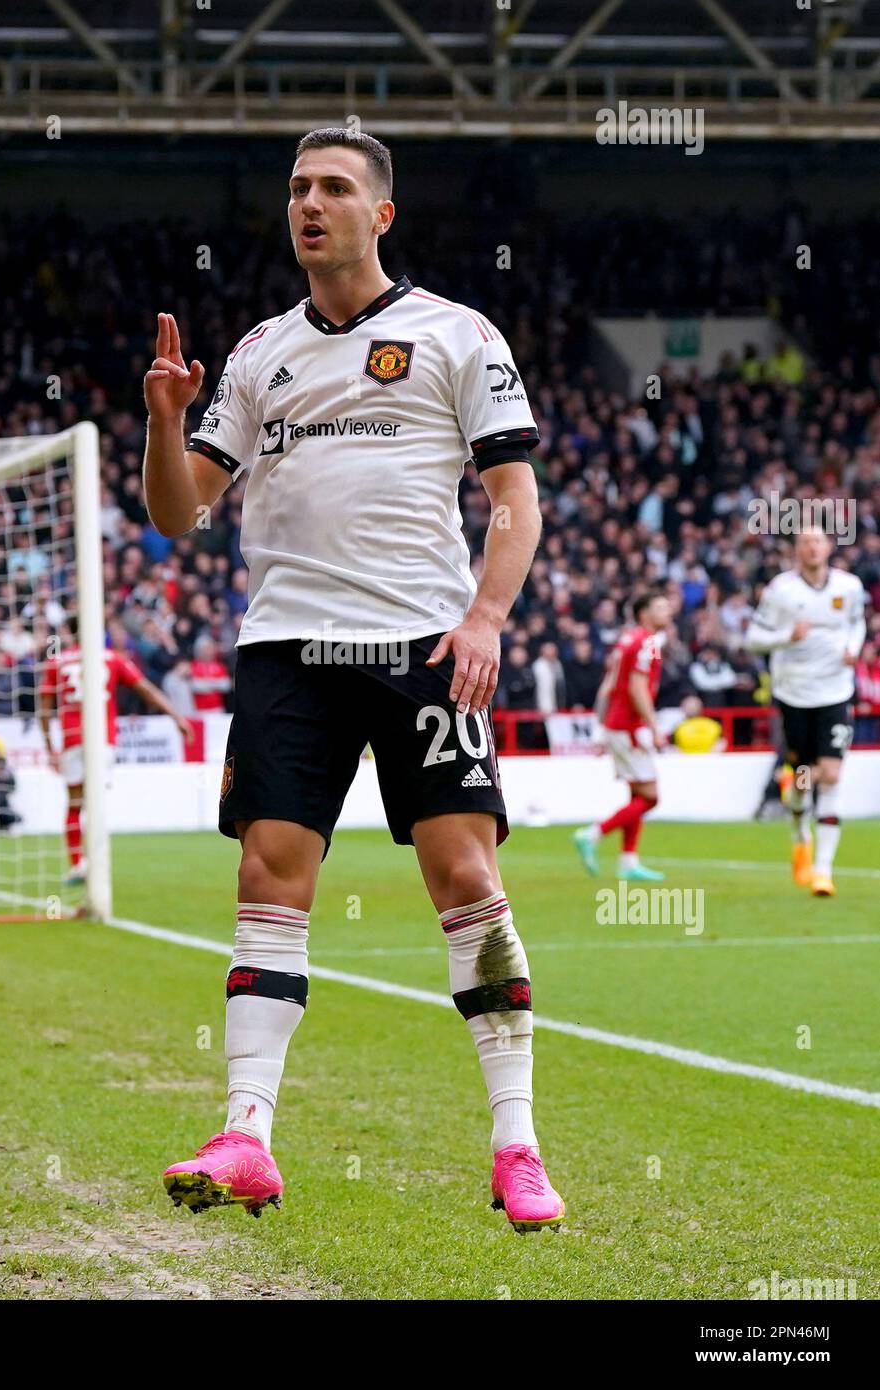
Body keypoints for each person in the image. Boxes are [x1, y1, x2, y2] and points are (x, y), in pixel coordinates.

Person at [143, 127, 563, 1233]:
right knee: (267, 878)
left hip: (422, 646)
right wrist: (164, 419)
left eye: (333, 187)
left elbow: (514, 499)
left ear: (380, 213)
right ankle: (244, 1134)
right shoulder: (255, 354)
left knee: (462, 876)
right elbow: (179, 510)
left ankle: (515, 1143)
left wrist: (484, 615)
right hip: (286, 648)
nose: (309, 204)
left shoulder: (455, 336)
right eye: (296, 188)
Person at [744, 529, 868, 895]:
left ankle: (823, 870)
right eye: (805, 543)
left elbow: (857, 622)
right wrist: (786, 637)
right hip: (794, 693)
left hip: (835, 690)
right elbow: (753, 638)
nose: (812, 548)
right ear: (797, 551)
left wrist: (853, 647)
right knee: (800, 776)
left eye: (818, 542)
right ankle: (799, 830)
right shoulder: (781, 590)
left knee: (830, 774)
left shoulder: (848, 586)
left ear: (829, 547)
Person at [38, 617, 196, 886]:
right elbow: (145, 689)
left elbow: (43, 708)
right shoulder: (112, 658)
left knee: (75, 803)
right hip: (102, 739)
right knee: (95, 802)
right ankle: (97, 865)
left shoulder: (58, 662)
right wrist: (176, 717)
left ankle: (78, 865)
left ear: (70, 634)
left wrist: (50, 747)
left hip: (72, 739)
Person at [572, 590, 671, 882]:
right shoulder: (647, 643)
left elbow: (609, 684)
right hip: (630, 726)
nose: (668, 611)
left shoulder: (627, 640)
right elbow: (636, 688)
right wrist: (653, 726)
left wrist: (600, 729)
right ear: (645, 613)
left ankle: (628, 862)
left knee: (637, 794)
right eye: (661, 606)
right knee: (651, 798)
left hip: (617, 725)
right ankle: (592, 834)